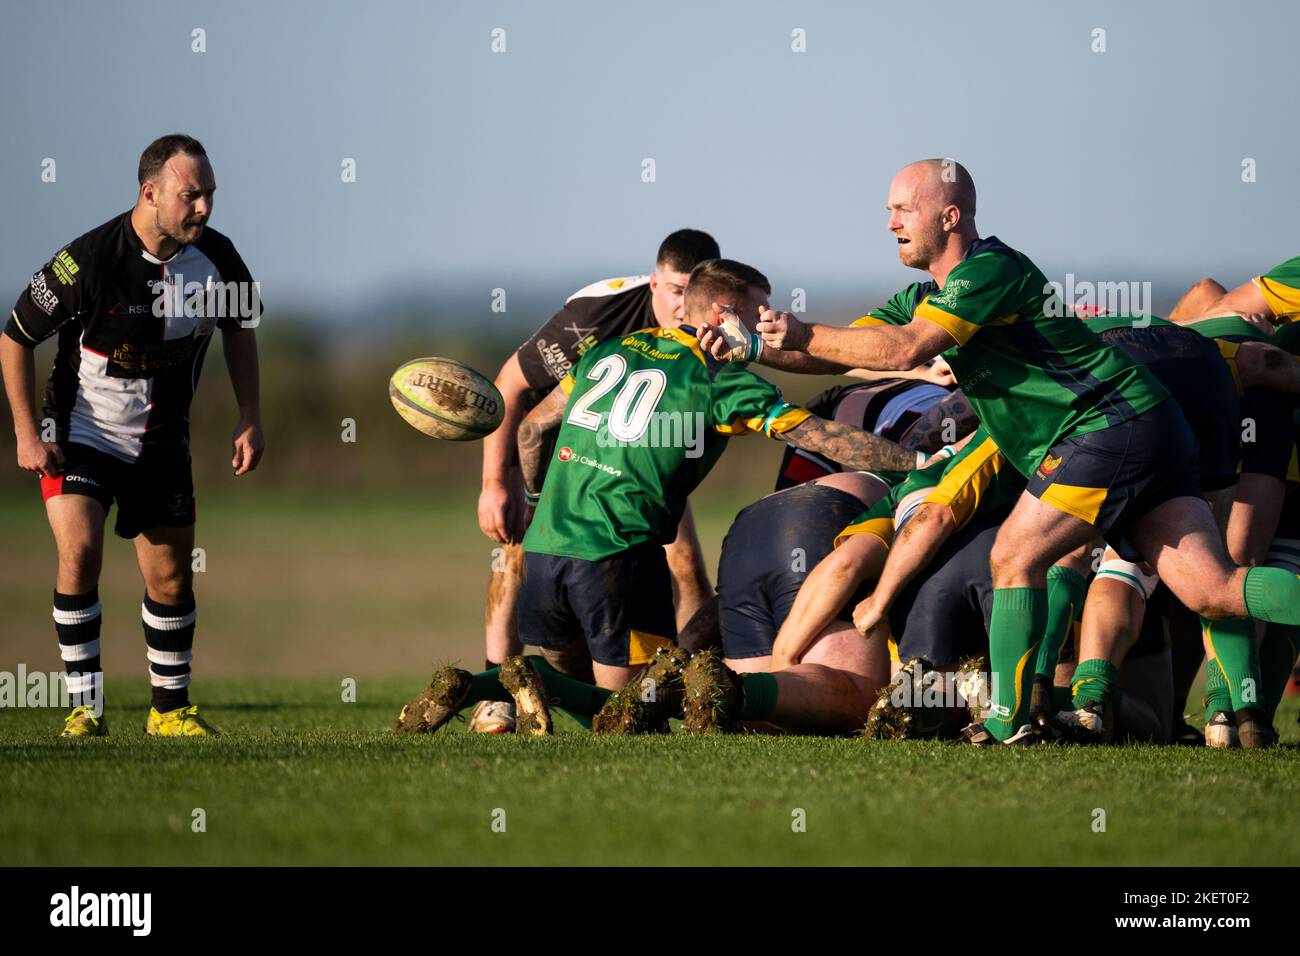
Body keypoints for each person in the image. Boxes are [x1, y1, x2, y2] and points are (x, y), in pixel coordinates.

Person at [744, 158, 1300, 744]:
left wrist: (801, 332)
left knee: (1014, 556)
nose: (890, 223)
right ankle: (1033, 713)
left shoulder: (989, 269)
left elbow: (907, 350)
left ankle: (1009, 720)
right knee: (1210, 588)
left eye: (903, 209)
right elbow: (840, 350)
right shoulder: (923, 296)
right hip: (1145, 420)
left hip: (1105, 425)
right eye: (889, 212)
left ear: (950, 215)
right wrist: (753, 345)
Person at [393, 258, 921, 735]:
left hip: (546, 550)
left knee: (599, 699)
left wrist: (534, 499)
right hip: (617, 561)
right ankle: (525, 681)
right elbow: (820, 436)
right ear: (724, 314)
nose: (768, 328)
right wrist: (917, 462)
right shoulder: (722, 380)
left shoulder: (610, 349)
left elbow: (531, 431)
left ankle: (498, 683)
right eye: (759, 314)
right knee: (638, 717)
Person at [0, 134, 265, 738]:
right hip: (79, 435)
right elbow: (14, 337)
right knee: (81, 553)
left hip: (163, 442)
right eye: (189, 195)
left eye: (210, 195)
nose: (203, 207)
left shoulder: (220, 259)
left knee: (171, 577)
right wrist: (24, 432)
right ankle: (84, 710)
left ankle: (169, 713)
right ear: (150, 193)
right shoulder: (90, 261)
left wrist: (250, 415)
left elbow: (240, 328)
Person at [470, 230, 719, 731]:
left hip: (639, 462)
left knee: (687, 564)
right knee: (516, 554)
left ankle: (690, 695)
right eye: (675, 290)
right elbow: (510, 385)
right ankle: (497, 689)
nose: (684, 303)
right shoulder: (598, 317)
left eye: (695, 292)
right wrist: (497, 484)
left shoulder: (715, 323)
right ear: (653, 283)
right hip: (559, 449)